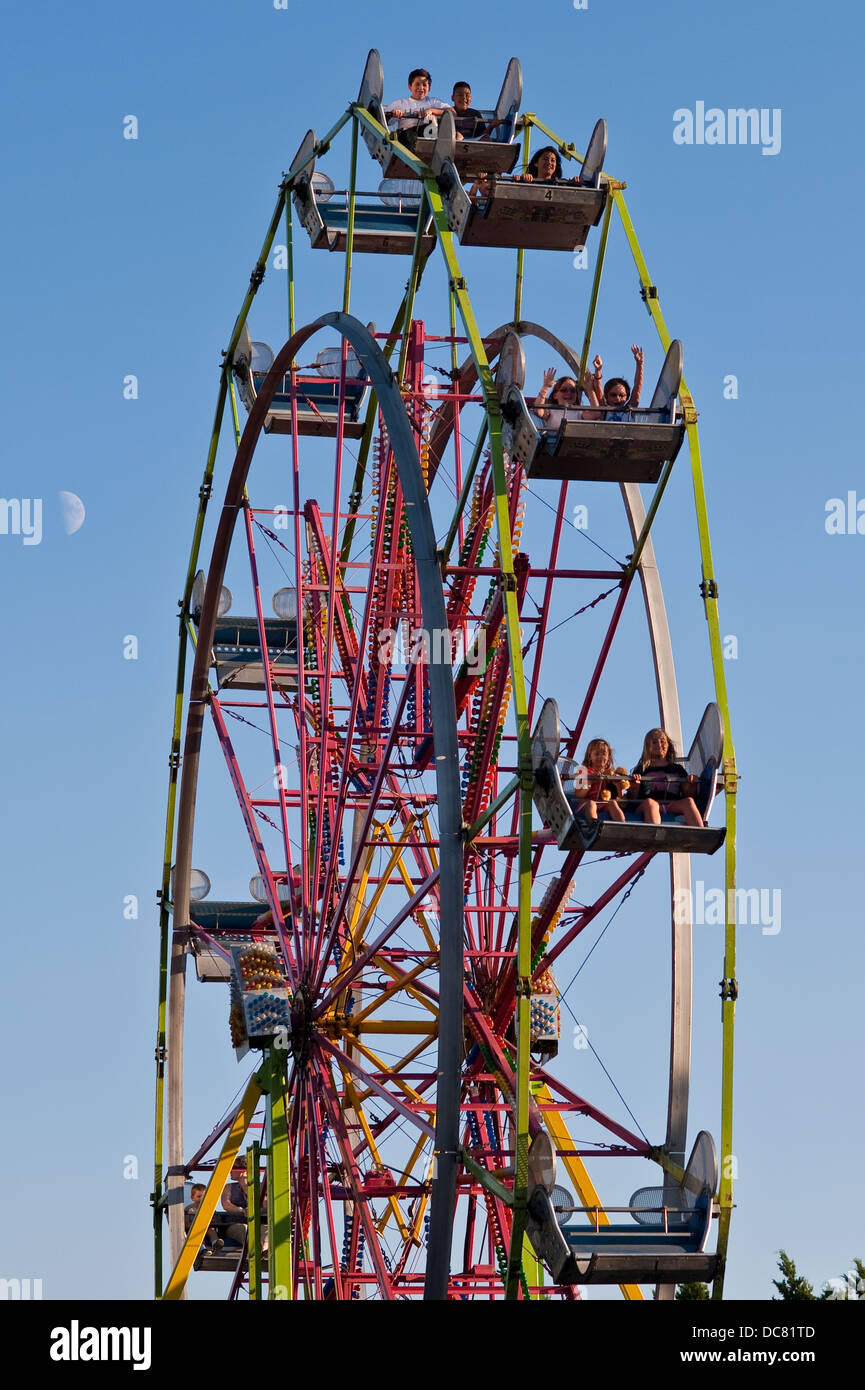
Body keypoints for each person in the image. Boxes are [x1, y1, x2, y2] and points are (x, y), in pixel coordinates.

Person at [630, 727, 702, 826]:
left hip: (672, 804)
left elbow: (688, 794)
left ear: (668, 744)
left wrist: (692, 783)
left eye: (663, 741)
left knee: (688, 802)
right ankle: (655, 834)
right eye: (654, 742)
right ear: (648, 746)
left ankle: (699, 834)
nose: (659, 745)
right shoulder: (642, 769)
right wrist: (635, 785)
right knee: (651, 803)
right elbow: (632, 798)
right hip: (648, 805)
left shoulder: (677, 769)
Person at [562, 738, 628, 822]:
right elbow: (579, 795)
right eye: (596, 754)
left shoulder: (610, 774)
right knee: (591, 804)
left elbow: (620, 797)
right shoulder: (582, 771)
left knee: (612, 803)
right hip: (586, 803)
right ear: (590, 757)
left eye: (604, 754)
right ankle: (593, 824)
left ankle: (622, 823)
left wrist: (617, 784)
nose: (600, 757)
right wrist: (590, 781)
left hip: (604, 803)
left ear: (608, 757)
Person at [384, 69, 454, 133]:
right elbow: (381, 119)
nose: (421, 88)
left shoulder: (433, 102)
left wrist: (432, 110)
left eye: (424, 85)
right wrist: (393, 113)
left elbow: (452, 112)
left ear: (429, 88)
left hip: (428, 139)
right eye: (417, 84)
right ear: (410, 86)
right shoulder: (399, 104)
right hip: (405, 140)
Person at [532, 369, 601, 430]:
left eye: (573, 391)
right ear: (555, 395)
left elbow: (596, 414)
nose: (568, 393)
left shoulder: (579, 412)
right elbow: (538, 411)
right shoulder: (551, 410)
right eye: (564, 390)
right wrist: (545, 387)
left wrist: (589, 389)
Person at [588, 346, 644, 420]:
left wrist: (640, 364)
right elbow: (598, 389)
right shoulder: (604, 410)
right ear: (606, 396)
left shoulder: (629, 409)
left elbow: (637, 387)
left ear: (627, 397)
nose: (617, 398)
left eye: (621, 395)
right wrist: (598, 370)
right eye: (613, 395)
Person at [185, 1182, 223, 1251]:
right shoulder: (189, 1209)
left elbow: (217, 1219)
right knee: (196, 1232)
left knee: (212, 1231)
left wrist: (214, 1221)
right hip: (194, 1229)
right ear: (192, 1198)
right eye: (199, 1196)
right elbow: (185, 1223)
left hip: (207, 1227)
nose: (201, 1199)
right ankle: (202, 1248)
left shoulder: (209, 1208)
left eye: (204, 1196)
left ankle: (215, 1244)